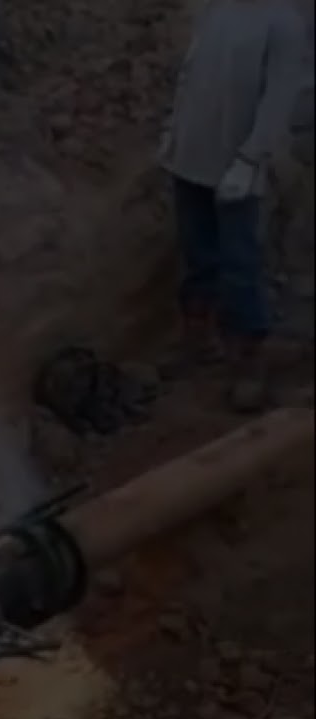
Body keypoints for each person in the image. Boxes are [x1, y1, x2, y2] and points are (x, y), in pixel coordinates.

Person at [159, 0, 305, 412]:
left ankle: (247, 360)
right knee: (197, 253)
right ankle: (197, 339)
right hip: (191, 153)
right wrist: (174, 130)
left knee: (239, 262)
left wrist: (250, 158)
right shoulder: (217, 9)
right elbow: (190, 75)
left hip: (235, 163)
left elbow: (277, 100)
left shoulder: (283, 24)